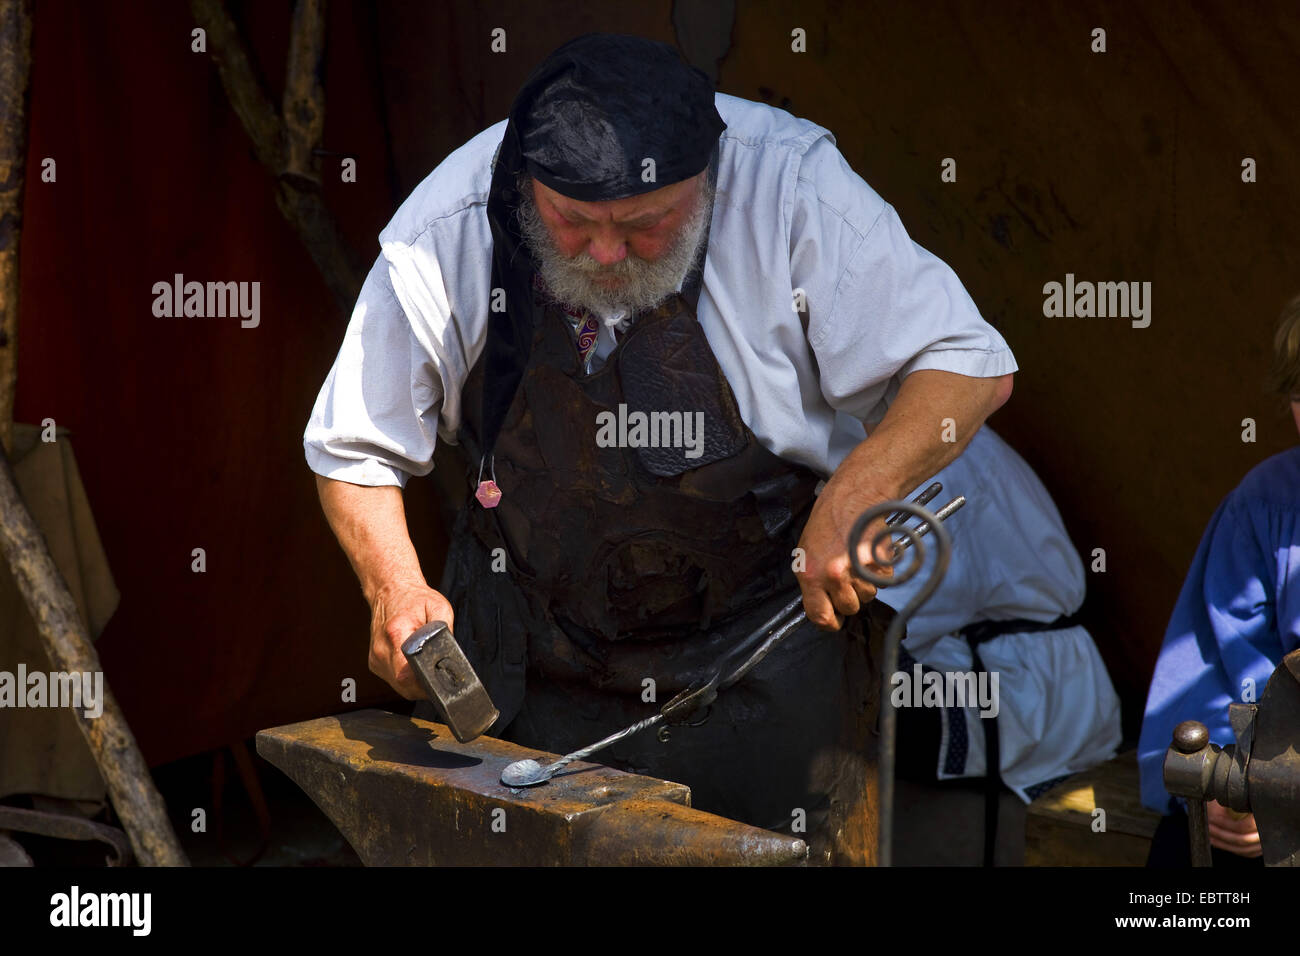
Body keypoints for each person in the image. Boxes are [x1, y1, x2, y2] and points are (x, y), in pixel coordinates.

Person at [304, 33, 1016, 864]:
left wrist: (858, 489)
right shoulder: (452, 218)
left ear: (707, 182)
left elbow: (966, 366)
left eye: (645, 225)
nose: (606, 255)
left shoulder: (789, 185)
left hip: (761, 663)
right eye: (571, 222)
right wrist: (393, 588)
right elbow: (353, 443)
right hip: (531, 666)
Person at [883, 425, 1122, 864]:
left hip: (1022, 673)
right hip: (974, 645)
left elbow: (886, 620)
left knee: (852, 705)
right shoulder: (906, 434)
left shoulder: (921, 457)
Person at [1137, 295, 1300, 865]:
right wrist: (1225, 784)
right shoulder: (1268, 503)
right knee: (1189, 848)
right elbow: (1216, 665)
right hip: (1281, 776)